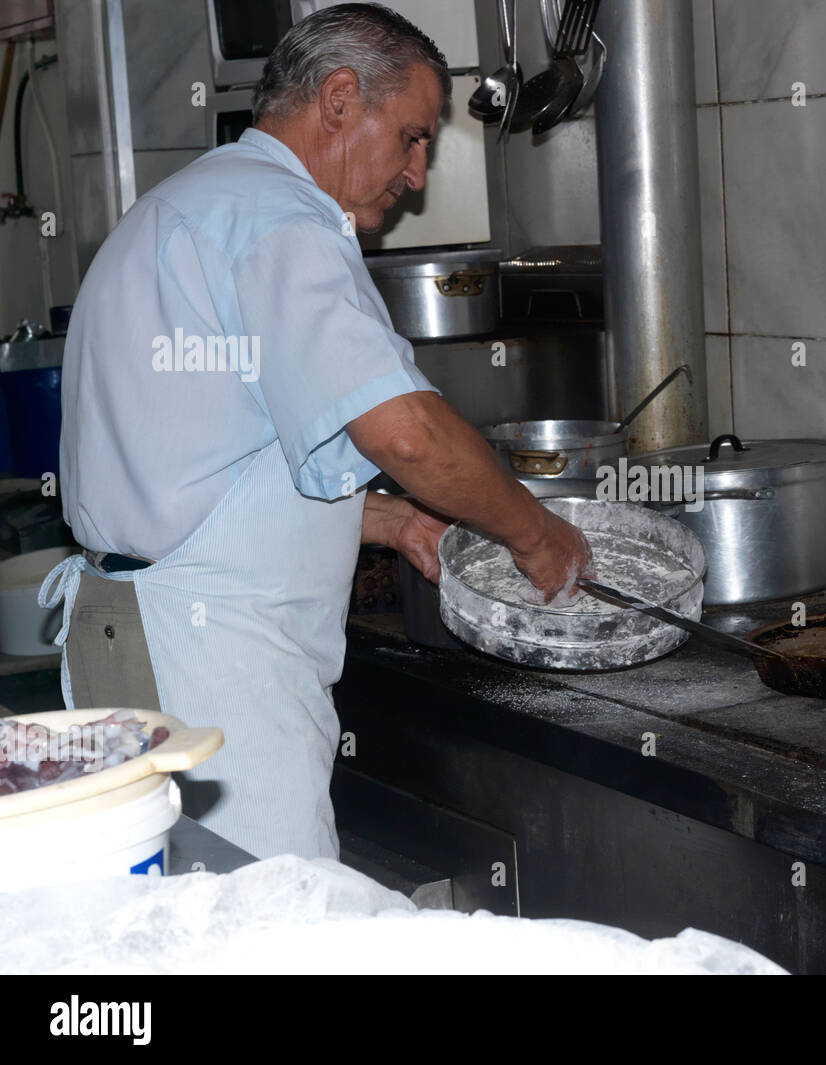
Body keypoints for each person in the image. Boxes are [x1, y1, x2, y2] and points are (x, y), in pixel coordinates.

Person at [39, 3, 591, 860]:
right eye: (411, 136)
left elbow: (208, 456)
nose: (416, 172)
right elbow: (404, 432)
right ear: (338, 99)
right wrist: (535, 531)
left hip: (136, 634)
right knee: (268, 935)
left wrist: (385, 520)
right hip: (210, 661)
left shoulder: (192, 206)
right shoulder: (281, 222)